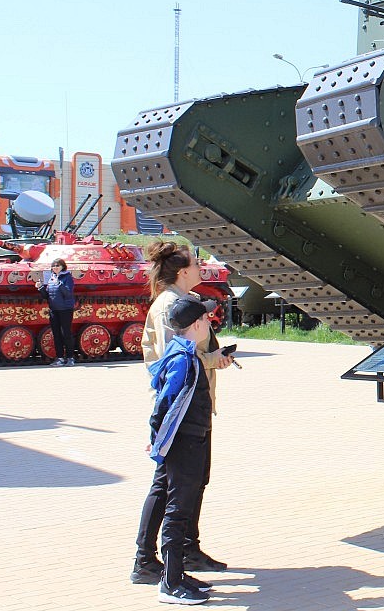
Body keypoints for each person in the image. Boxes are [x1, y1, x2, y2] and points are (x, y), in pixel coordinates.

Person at [131, 242, 230, 586]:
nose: (202, 265)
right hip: (182, 410)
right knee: (171, 487)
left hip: (194, 406)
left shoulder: (181, 302)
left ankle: (185, 549)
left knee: (190, 482)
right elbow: (173, 359)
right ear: (183, 270)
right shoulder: (169, 307)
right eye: (196, 262)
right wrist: (214, 360)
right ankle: (148, 560)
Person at [148, 296, 217, 605]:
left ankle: (177, 575)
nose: (209, 323)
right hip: (185, 442)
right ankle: (171, 582)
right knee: (177, 512)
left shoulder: (185, 352)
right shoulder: (183, 359)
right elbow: (164, 401)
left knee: (182, 508)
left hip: (193, 438)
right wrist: (156, 434)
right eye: (206, 319)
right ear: (197, 325)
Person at [39, 258, 77, 366]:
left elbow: (68, 293)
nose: (55, 267)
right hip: (54, 309)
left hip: (65, 309)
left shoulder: (67, 277)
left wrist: (59, 283)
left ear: (62, 266)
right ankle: (60, 358)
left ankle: (70, 358)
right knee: (56, 334)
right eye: (53, 265)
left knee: (66, 333)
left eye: (57, 265)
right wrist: (41, 288)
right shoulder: (51, 277)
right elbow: (47, 295)